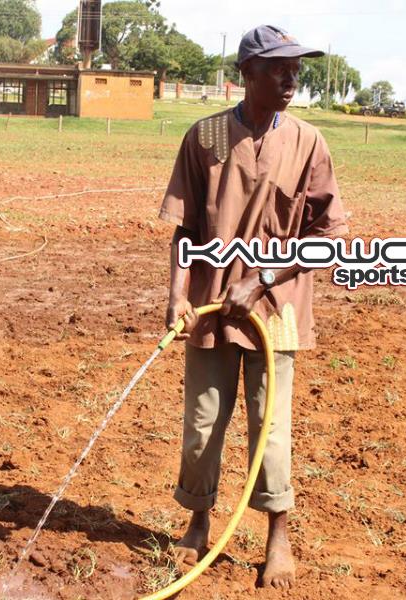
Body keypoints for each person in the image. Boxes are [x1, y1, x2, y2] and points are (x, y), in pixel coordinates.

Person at [159, 25, 349, 589]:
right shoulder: (206, 137)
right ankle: (198, 520)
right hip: (210, 308)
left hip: (278, 313)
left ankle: (277, 538)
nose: (291, 78)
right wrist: (175, 295)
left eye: (296, 68)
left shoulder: (309, 142)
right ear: (246, 74)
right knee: (203, 423)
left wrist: (265, 278)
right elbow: (185, 228)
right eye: (277, 68)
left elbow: (330, 236)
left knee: (271, 427)